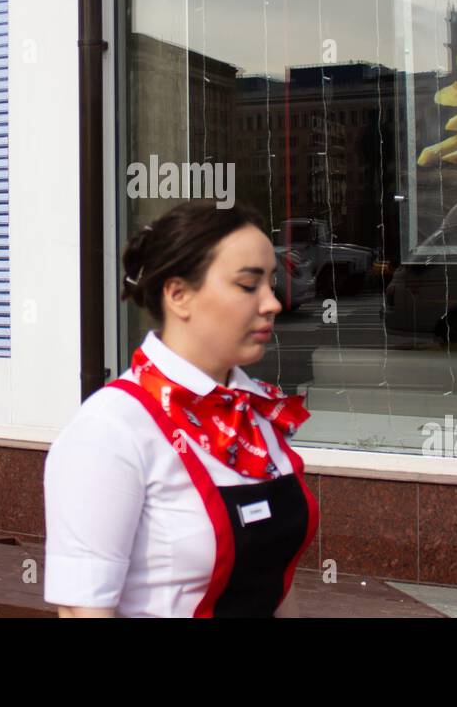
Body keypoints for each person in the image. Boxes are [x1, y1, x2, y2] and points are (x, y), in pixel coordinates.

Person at [43, 199, 319, 617]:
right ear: (178, 295)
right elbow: (83, 611)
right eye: (248, 285)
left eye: (272, 283)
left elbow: (277, 585)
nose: (272, 303)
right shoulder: (111, 429)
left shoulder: (255, 414)